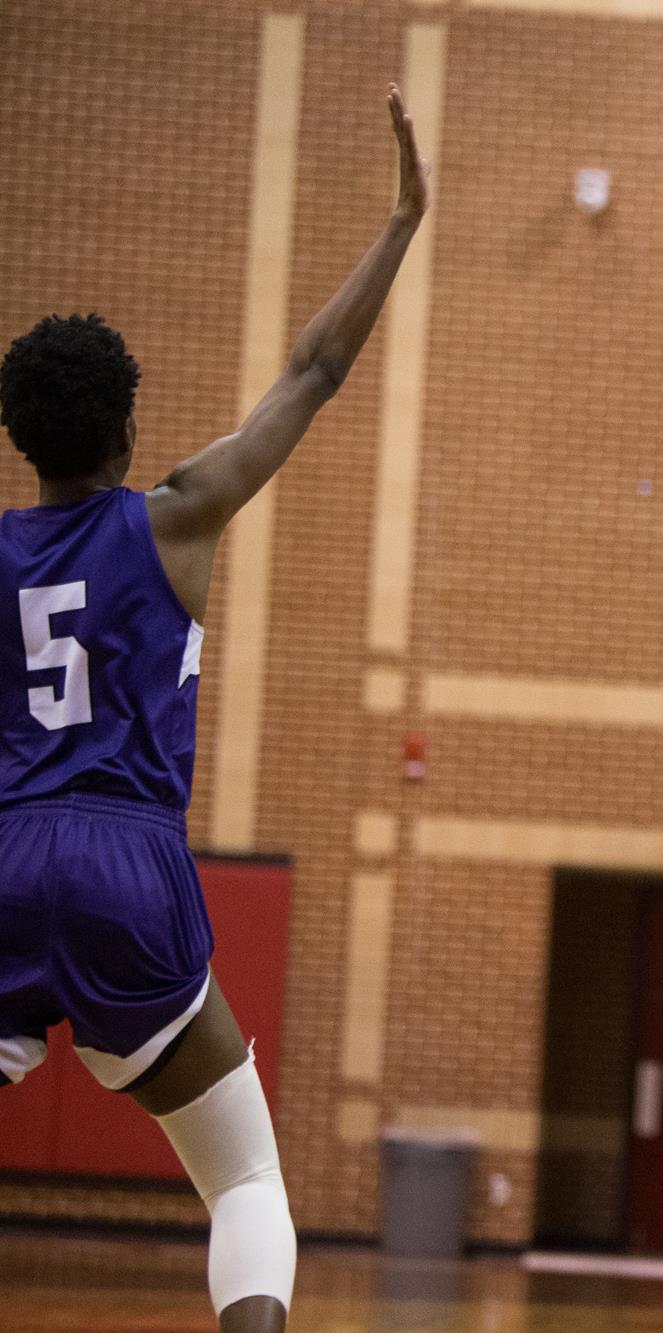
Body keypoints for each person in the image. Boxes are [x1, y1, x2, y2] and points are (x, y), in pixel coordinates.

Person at [0, 87, 429, 1332]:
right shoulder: (176, 515)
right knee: (244, 1177)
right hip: (128, 865)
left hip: (8, 852)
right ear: (128, 429)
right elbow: (314, 370)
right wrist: (402, 219)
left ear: (20, 436)